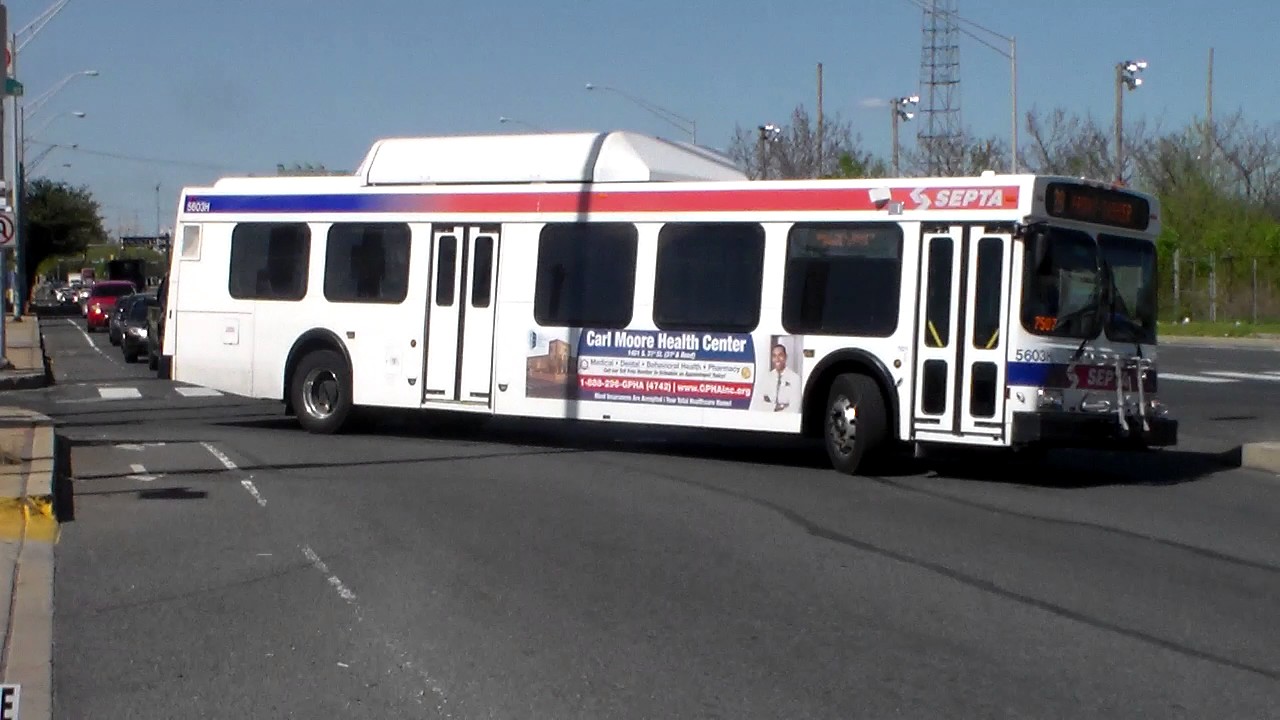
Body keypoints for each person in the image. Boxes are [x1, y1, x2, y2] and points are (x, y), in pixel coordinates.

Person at [761, 343, 802, 412]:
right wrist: (777, 407)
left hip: (787, 420)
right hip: (768, 420)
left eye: (780, 355)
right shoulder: (767, 377)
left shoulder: (795, 378)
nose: (777, 359)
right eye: (774, 356)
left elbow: (795, 407)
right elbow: (759, 404)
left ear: (786, 357)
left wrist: (770, 406)